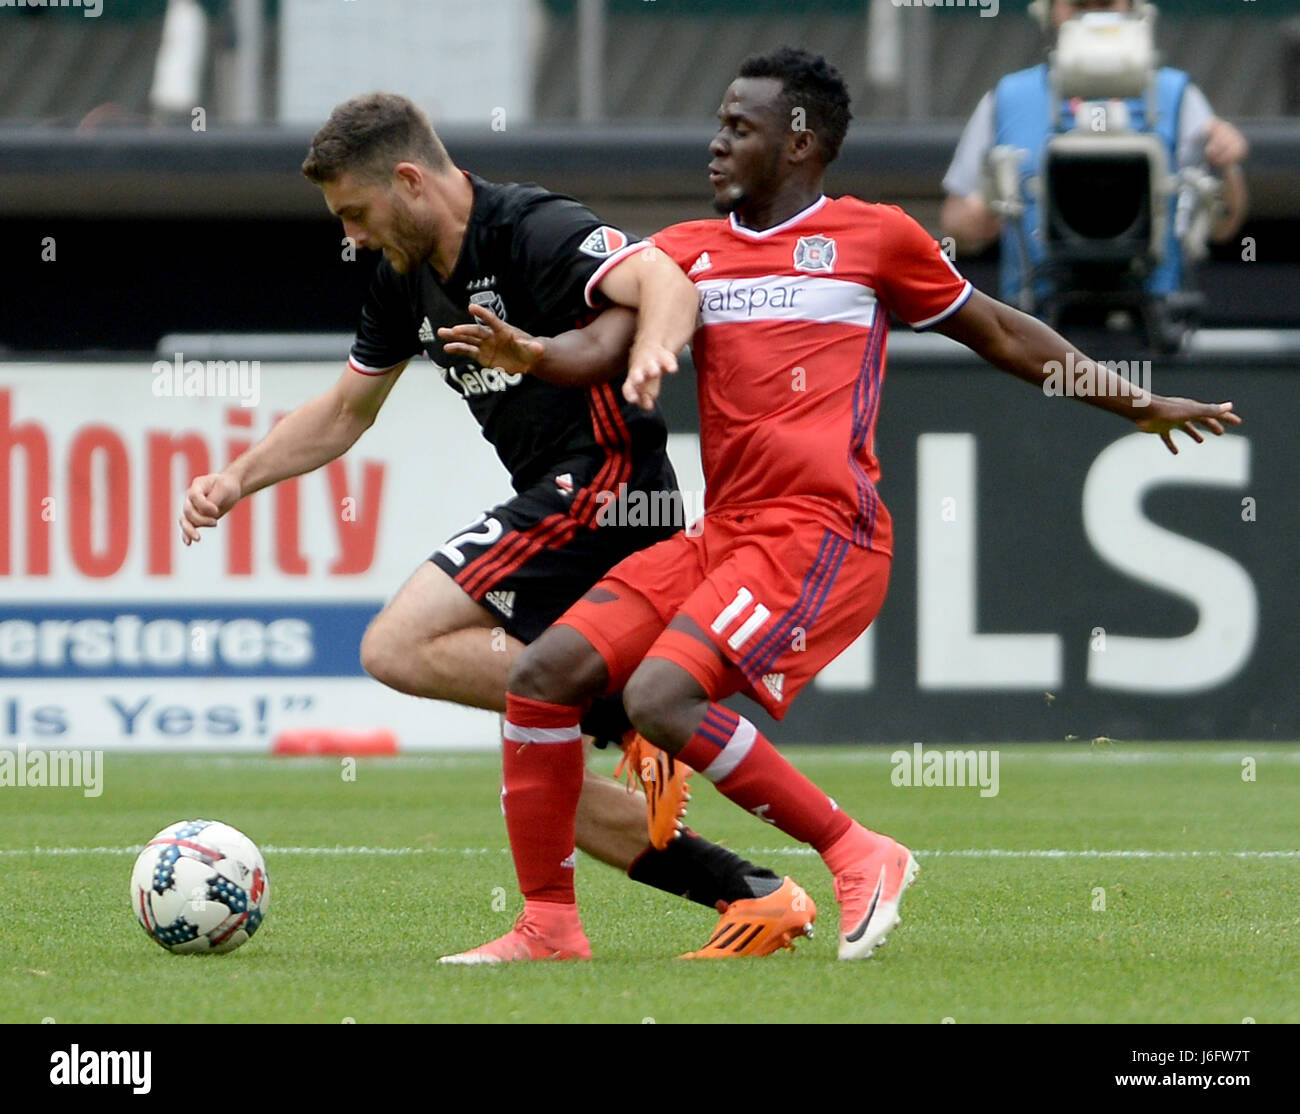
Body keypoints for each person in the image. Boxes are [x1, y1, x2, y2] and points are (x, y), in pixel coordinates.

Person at [436, 46, 1240, 964]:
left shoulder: (876, 238)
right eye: (719, 124)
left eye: (739, 128)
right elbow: (600, 347)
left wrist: (1134, 401)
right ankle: (548, 926)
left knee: (660, 697)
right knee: (541, 678)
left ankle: (860, 852)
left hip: (822, 532)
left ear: (800, 141)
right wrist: (533, 355)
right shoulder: (685, 255)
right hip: (724, 537)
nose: (716, 144)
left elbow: (1004, 332)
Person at [176, 92, 815, 958]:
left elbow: (664, 277)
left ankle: (626, 717)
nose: (352, 235)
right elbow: (343, 411)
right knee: (536, 757)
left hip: (610, 489)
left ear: (408, 180)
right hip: (565, 499)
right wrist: (236, 479)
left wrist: (657, 351)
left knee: (396, 646)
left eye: (355, 213)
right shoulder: (403, 280)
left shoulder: (532, 228)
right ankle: (753, 893)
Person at [941, 0, 1249, 312]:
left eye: (1105, 4)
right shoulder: (1009, 98)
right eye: (1078, 6)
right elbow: (956, 221)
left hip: (1150, 320)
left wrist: (1227, 167)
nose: (1092, 16)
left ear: (1132, 7)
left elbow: (1222, 227)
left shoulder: (1175, 94)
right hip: (1038, 324)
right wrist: (992, 206)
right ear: (1049, 10)